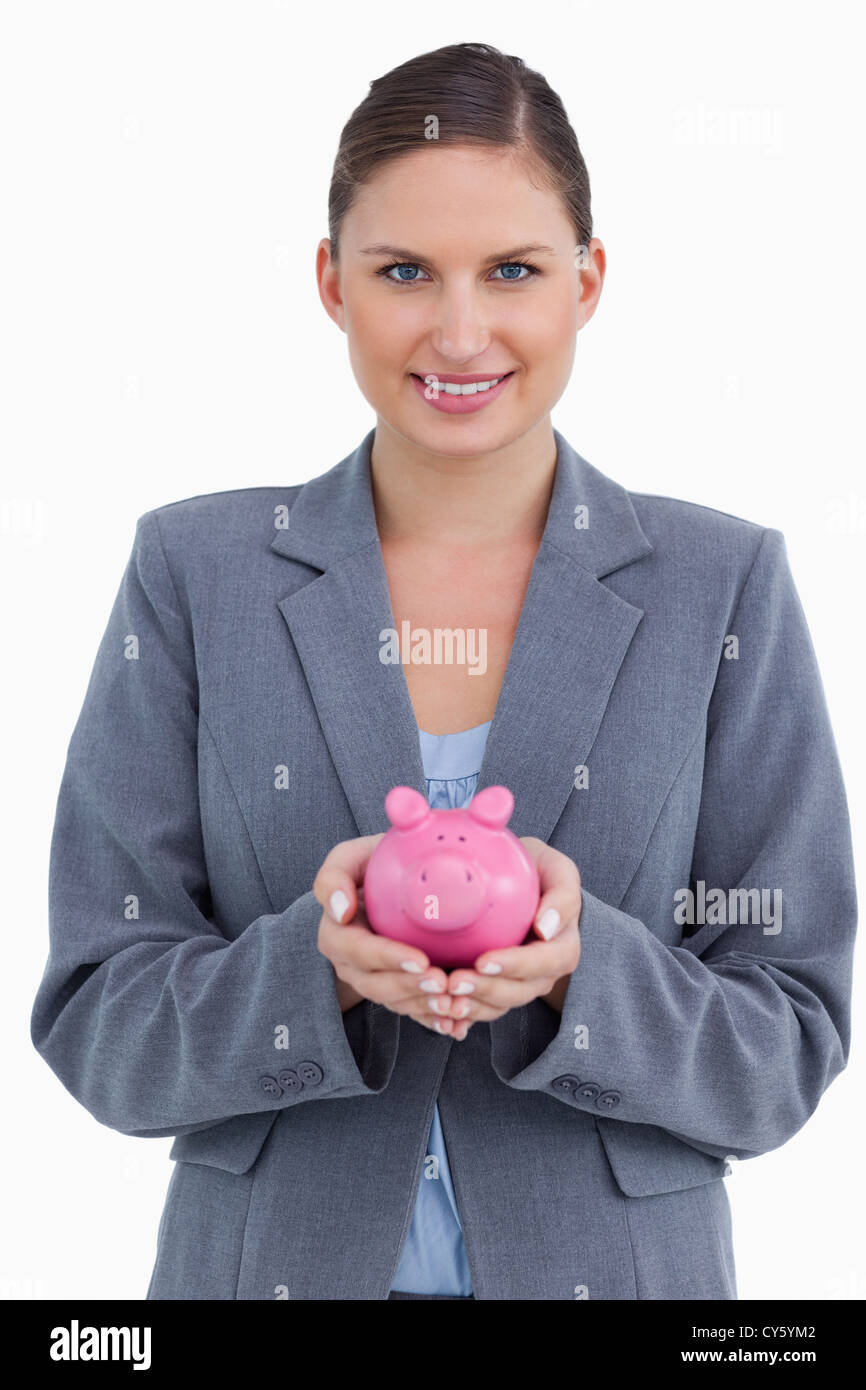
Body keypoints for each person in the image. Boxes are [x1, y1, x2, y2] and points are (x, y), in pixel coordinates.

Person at [31, 41, 856, 1301]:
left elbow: (786, 1041)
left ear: (586, 282)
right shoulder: (195, 571)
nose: (459, 331)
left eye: (513, 271)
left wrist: (585, 969)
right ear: (331, 282)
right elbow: (100, 1020)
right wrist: (315, 969)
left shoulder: (718, 583)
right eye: (403, 270)